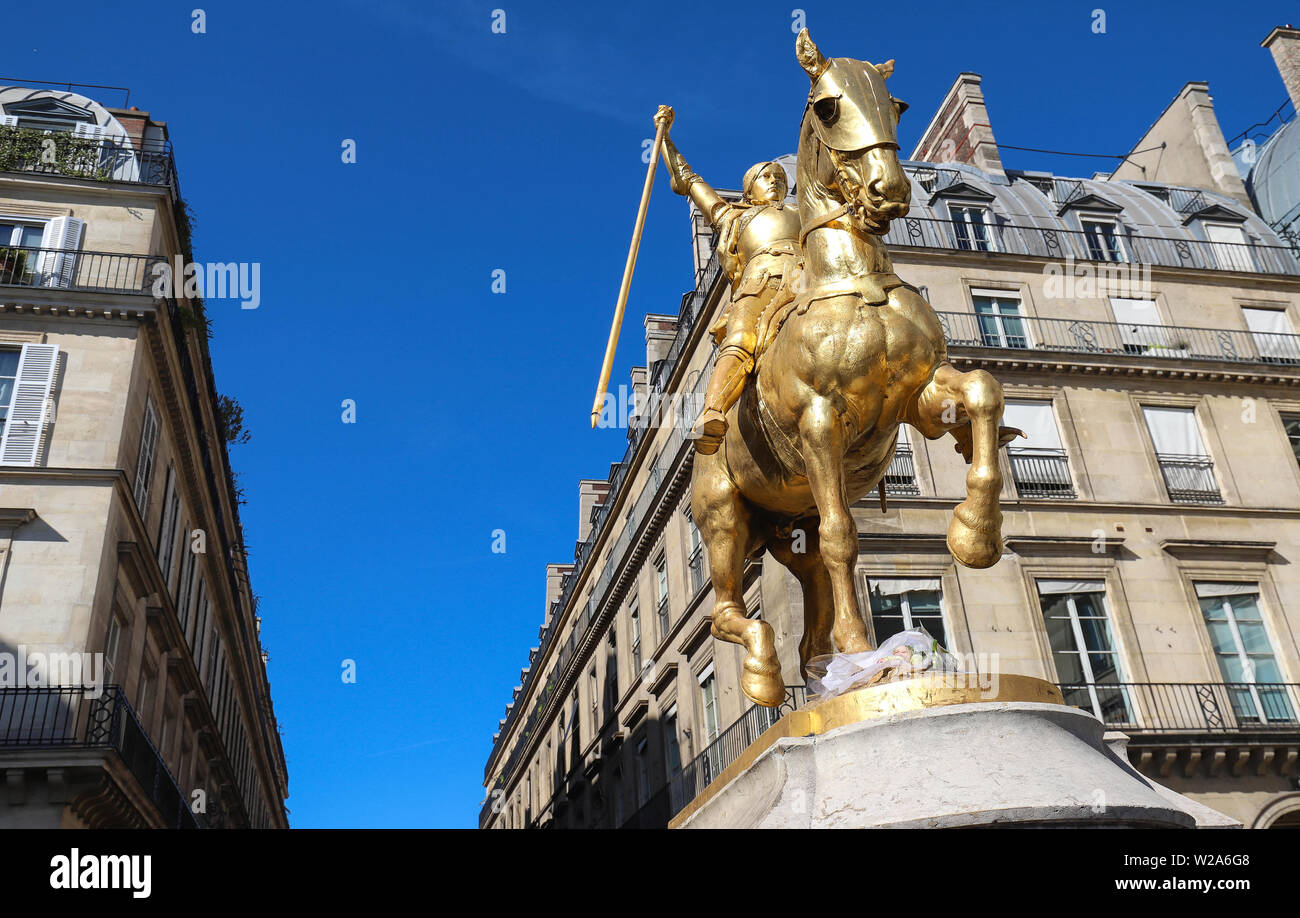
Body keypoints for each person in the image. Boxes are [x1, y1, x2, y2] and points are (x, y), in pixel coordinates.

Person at [658, 114, 802, 454]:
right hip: (762, 281)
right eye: (764, 177)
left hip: (807, 275)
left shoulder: (803, 212)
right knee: (741, 339)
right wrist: (664, 139)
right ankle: (714, 410)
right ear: (749, 190)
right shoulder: (734, 215)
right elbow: (687, 180)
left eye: (779, 177)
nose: (774, 181)